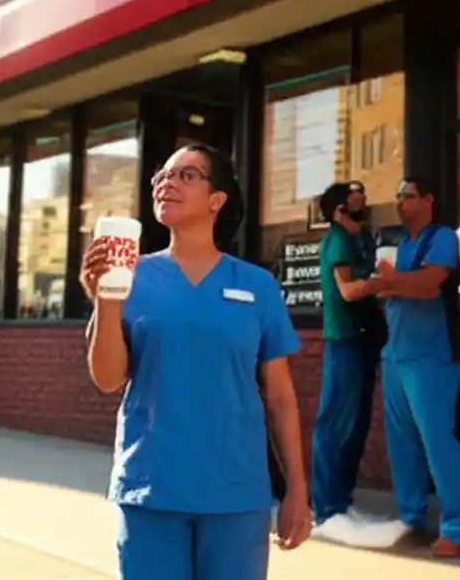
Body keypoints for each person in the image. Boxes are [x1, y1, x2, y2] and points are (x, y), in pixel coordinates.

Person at [81, 143, 312, 580]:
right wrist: (105, 300)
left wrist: (297, 491)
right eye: (162, 177)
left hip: (236, 495)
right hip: (151, 489)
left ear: (216, 200)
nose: (167, 183)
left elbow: (281, 397)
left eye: (186, 175)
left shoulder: (256, 286)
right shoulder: (129, 276)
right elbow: (108, 379)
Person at [371, 177, 460, 558]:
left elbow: (431, 284)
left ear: (428, 200)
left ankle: (459, 529)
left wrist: (391, 281)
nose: (401, 203)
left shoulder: (442, 237)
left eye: (409, 196)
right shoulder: (402, 243)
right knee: (403, 446)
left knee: (437, 441)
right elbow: (393, 289)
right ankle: (411, 520)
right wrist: (389, 284)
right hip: (397, 354)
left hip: (431, 356)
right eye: (398, 196)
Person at [309, 181, 396, 544]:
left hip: (365, 338)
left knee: (357, 423)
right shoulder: (337, 241)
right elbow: (347, 290)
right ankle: (324, 510)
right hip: (343, 340)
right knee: (336, 422)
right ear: (339, 209)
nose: (364, 198)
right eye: (355, 195)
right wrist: (385, 282)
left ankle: (341, 502)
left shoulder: (361, 238)